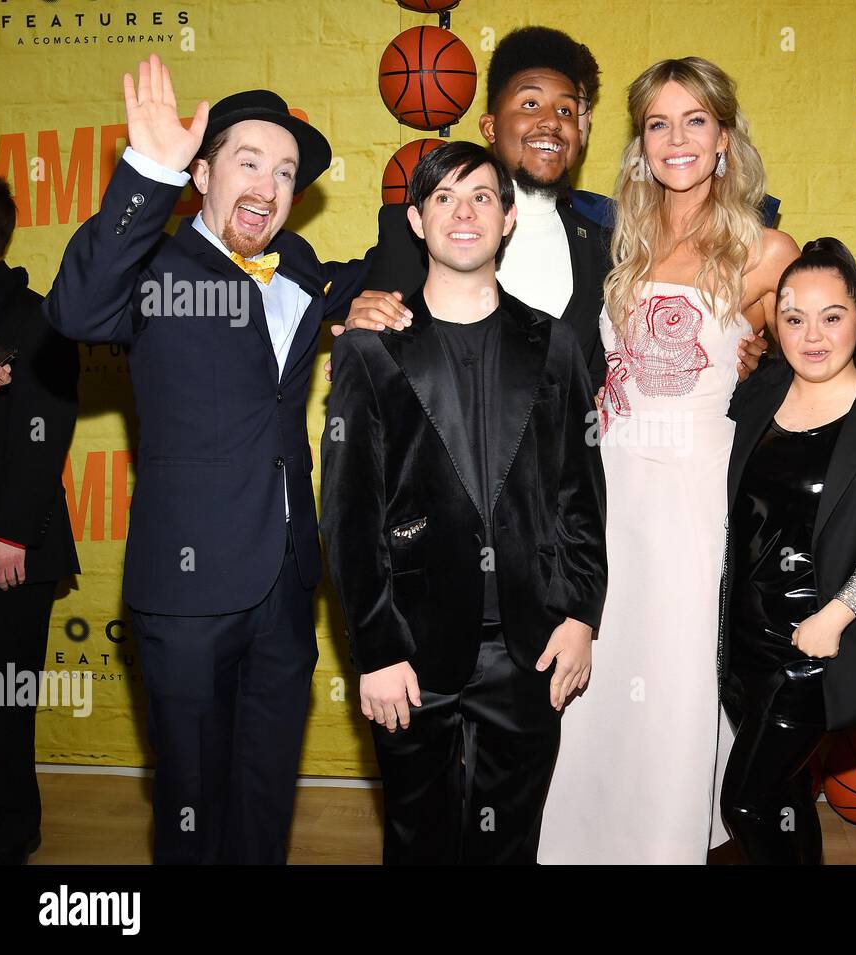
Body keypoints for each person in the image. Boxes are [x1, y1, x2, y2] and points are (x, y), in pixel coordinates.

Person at [43, 54, 372, 864]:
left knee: (264, 795)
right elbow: (75, 308)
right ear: (200, 172)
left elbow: (348, 281)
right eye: (248, 161)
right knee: (191, 803)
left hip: (289, 582)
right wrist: (143, 172)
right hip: (187, 595)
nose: (267, 185)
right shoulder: (152, 268)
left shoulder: (295, 265)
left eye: (286, 171)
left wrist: (375, 290)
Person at [538, 56, 800, 864]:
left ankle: (663, 845)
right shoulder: (620, 234)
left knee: (676, 679)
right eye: (659, 123)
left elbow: (815, 361)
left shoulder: (765, 247)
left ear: (724, 136)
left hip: (693, 496)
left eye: (695, 121)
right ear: (640, 140)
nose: (677, 138)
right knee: (600, 674)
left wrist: (757, 366)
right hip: (611, 482)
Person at [320, 141, 606, 865]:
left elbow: (580, 491)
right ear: (415, 220)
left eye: (481, 196)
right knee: (417, 841)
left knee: (510, 843)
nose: (464, 212)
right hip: (411, 647)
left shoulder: (557, 344)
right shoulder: (368, 350)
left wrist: (579, 616)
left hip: (530, 643)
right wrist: (376, 649)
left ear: (508, 218)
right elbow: (350, 515)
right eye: (443, 198)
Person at [338, 26, 770, 388]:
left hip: (570, 486)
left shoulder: (610, 244)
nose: (550, 121)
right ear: (489, 125)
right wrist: (359, 324)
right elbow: (368, 365)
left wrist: (743, 350)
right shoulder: (419, 229)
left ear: (581, 132)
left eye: (566, 110)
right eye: (530, 104)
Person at [719, 238, 856, 865]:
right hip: (743, 640)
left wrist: (837, 616)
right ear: (775, 320)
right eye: (795, 318)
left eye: (832, 317)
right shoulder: (755, 394)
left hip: (817, 645)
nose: (813, 335)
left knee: (745, 803)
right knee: (786, 797)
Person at [0, 173, 80, 866]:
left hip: (11, 550)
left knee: (3, 703)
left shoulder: (36, 317)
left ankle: (9, 833)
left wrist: (11, 533)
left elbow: (43, 433)